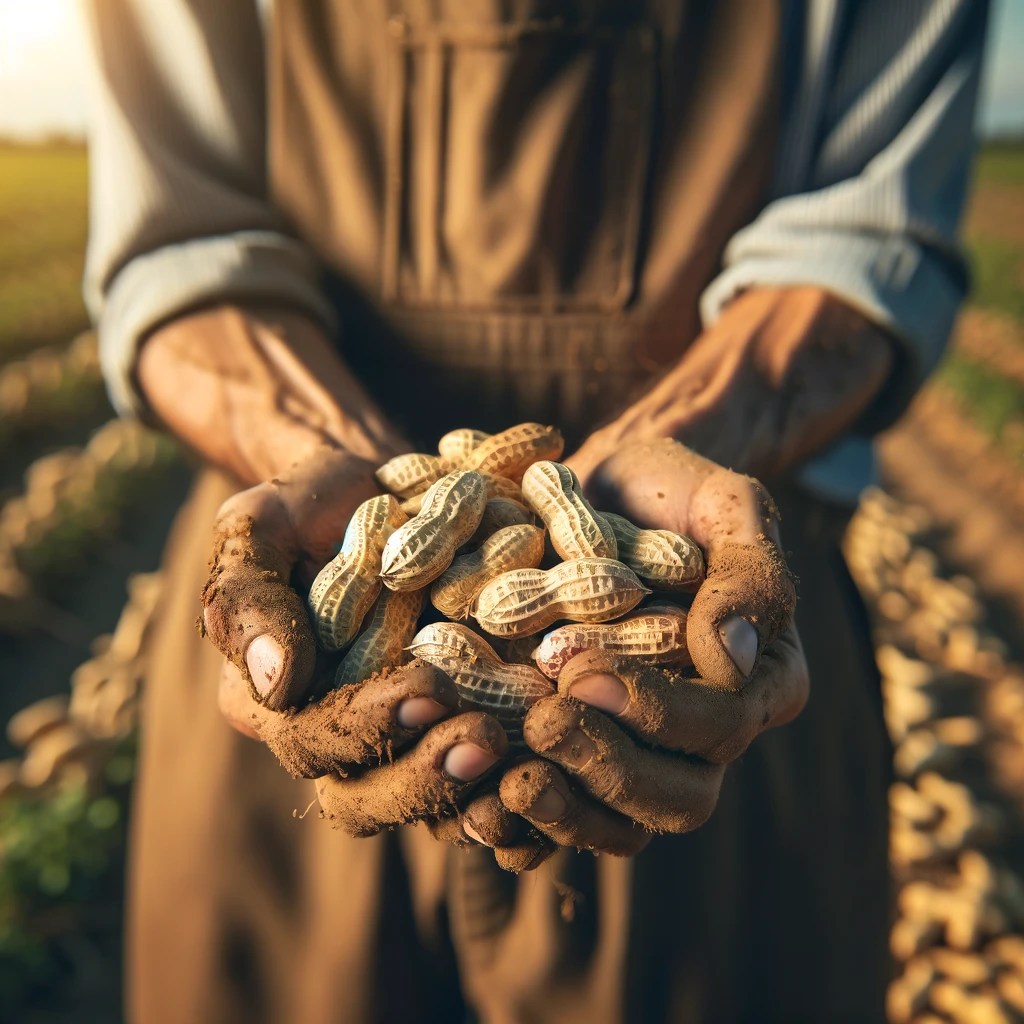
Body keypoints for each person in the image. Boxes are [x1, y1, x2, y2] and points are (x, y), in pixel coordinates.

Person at [81, 1, 988, 1021]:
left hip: (706, 695)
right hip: (299, 645)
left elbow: (867, 237)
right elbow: (179, 240)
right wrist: (313, 456)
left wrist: (703, 443)